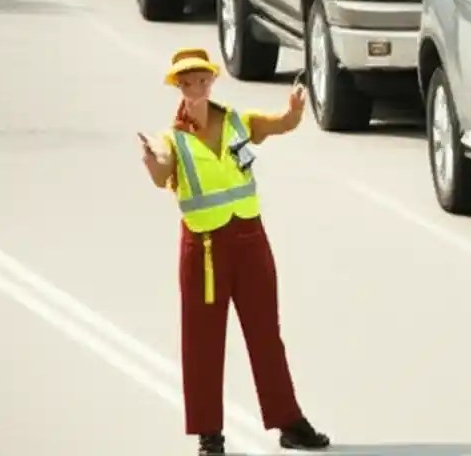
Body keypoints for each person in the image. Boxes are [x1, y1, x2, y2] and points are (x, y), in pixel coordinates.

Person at [138, 47, 331, 456]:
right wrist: (153, 161)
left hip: (249, 241)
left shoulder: (237, 122)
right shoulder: (172, 138)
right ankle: (210, 435)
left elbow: (280, 124)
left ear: (211, 80)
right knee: (202, 341)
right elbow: (160, 171)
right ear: (178, 86)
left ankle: (289, 422)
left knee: (266, 334)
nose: (195, 86)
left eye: (201, 78)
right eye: (186, 81)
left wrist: (294, 111)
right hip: (204, 251)